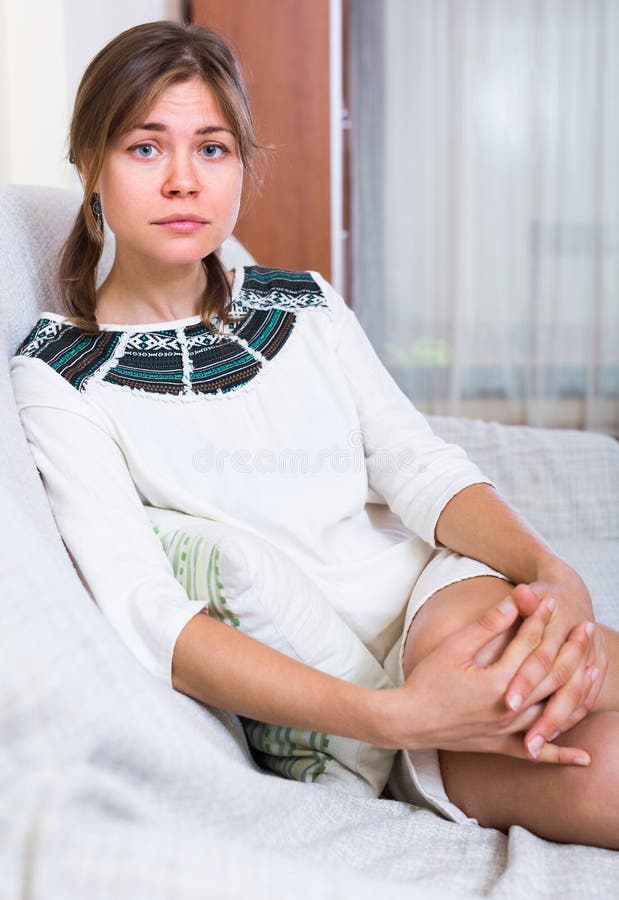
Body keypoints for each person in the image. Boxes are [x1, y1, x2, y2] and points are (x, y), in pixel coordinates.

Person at [9, 21, 619, 849]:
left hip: (443, 603)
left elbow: (415, 464)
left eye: (213, 149)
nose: (184, 180)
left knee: (575, 670)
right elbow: (147, 611)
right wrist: (390, 718)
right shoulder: (61, 373)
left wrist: (553, 574)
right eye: (146, 148)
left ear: (241, 167)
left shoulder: (302, 301)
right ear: (91, 168)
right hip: (360, 698)